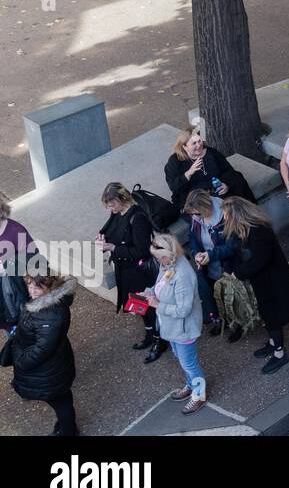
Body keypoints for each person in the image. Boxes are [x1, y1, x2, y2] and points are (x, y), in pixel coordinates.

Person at [222, 196, 289, 373]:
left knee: (271, 317)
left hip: (272, 282)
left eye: (225, 214)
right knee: (267, 315)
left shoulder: (258, 231)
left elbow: (260, 260)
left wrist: (238, 273)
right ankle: (272, 343)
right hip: (264, 280)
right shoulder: (248, 229)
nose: (223, 218)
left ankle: (279, 353)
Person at [96, 182, 166, 361]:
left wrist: (112, 247)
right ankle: (150, 334)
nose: (110, 209)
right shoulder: (118, 213)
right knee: (141, 306)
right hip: (127, 271)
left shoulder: (138, 218)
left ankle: (160, 340)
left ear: (122, 199)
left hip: (139, 272)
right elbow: (107, 229)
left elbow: (140, 250)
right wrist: (102, 239)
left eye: (111, 204)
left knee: (150, 306)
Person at [4, 273, 78, 435]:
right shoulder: (46, 304)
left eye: (37, 287)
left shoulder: (50, 314)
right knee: (61, 399)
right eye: (30, 286)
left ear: (49, 287)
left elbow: (43, 348)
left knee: (59, 401)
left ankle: (69, 431)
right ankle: (66, 425)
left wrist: (21, 361)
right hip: (54, 365)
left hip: (48, 368)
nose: (32, 291)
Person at [145, 233, 207, 416]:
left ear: (166, 255)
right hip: (171, 327)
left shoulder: (183, 275)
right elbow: (159, 286)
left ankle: (199, 394)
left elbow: (183, 310)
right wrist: (148, 293)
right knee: (183, 360)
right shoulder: (167, 264)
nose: (157, 262)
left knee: (189, 364)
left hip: (183, 328)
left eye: (158, 258)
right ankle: (191, 385)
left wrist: (157, 305)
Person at [164, 127, 255, 213]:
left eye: (199, 141)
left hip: (217, 190)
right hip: (196, 196)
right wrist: (189, 173)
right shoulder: (175, 161)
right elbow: (174, 187)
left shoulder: (211, 153)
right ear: (184, 147)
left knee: (237, 178)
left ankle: (251, 215)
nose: (199, 145)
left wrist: (226, 184)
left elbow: (228, 170)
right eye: (194, 143)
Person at [182, 190, 234, 338]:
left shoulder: (225, 214)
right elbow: (193, 236)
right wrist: (195, 253)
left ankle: (235, 323)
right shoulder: (197, 217)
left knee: (228, 295)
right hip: (208, 264)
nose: (194, 217)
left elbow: (232, 246)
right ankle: (218, 319)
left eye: (197, 213)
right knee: (211, 294)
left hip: (226, 264)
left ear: (205, 208)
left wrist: (210, 255)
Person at [0, 195, 37, 333]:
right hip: (3, 300)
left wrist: (7, 266)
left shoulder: (16, 231)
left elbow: (34, 260)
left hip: (18, 294)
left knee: (30, 334)